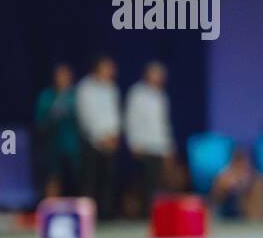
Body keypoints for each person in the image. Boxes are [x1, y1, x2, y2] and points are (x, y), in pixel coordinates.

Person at [123, 61, 174, 216]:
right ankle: (143, 215)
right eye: (155, 74)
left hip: (159, 146)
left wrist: (169, 147)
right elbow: (131, 119)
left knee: (156, 181)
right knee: (143, 183)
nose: (158, 78)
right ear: (147, 74)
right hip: (143, 145)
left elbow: (164, 123)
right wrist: (133, 142)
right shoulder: (137, 93)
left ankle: (153, 215)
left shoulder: (161, 95)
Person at [76, 56, 121, 220]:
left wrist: (114, 136)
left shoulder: (111, 88)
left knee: (107, 181)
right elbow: (86, 117)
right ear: (97, 69)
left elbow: (114, 114)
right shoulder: (85, 88)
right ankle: (87, 217)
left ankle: (106, 215)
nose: (111, 71)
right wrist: (101, 137)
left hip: (110, 141)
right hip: (92, 142)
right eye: (107, 68)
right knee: (90, 181)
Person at [34, 64, 80, 199]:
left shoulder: (76, 95)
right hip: (52, 147)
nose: (63, 79)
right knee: (53, 178)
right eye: (60, 75)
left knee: (76, 179)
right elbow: (40, 122)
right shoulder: (46, 96)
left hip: (74, 147)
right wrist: (53, 114)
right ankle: (51, 210)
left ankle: (77, 212)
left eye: (66, 75)